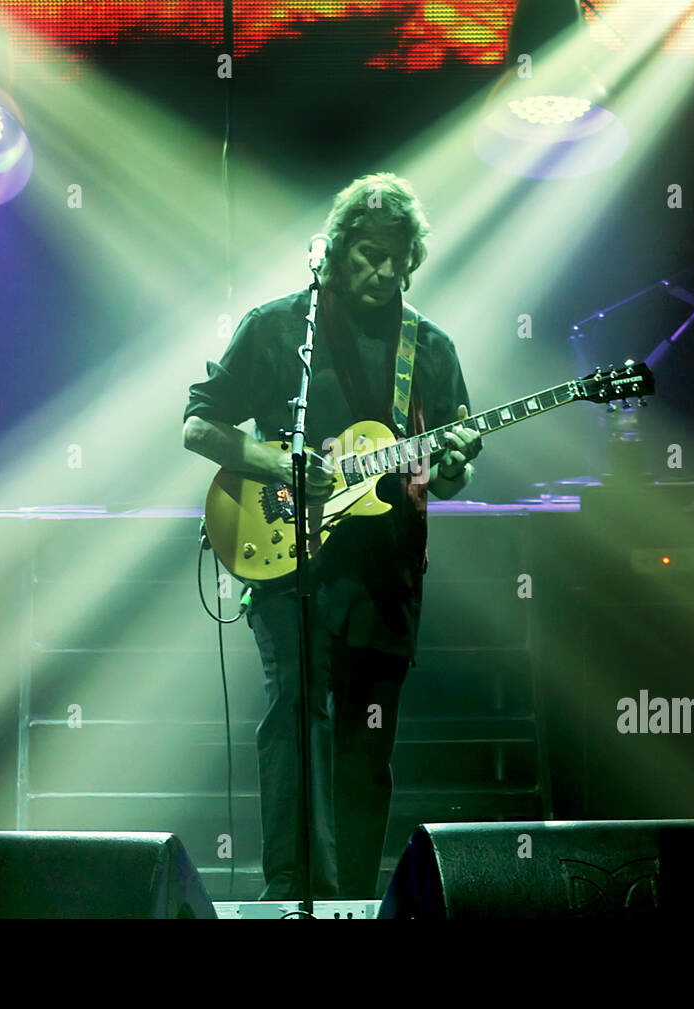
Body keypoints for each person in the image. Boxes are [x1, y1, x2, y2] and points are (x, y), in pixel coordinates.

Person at [182, 172, 482, 900]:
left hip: (387, 574)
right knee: (294, 711)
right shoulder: (283, 327)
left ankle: (351, 899)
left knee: (366, 740)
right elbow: (199, 424)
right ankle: (287, 892)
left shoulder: (431, 349)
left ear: (413, 259)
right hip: (289, 561)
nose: (381, 269)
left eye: (395, 256)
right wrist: (284, 463)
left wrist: (451, 465)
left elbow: (449, 476)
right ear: (337, 251)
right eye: (366, 253)